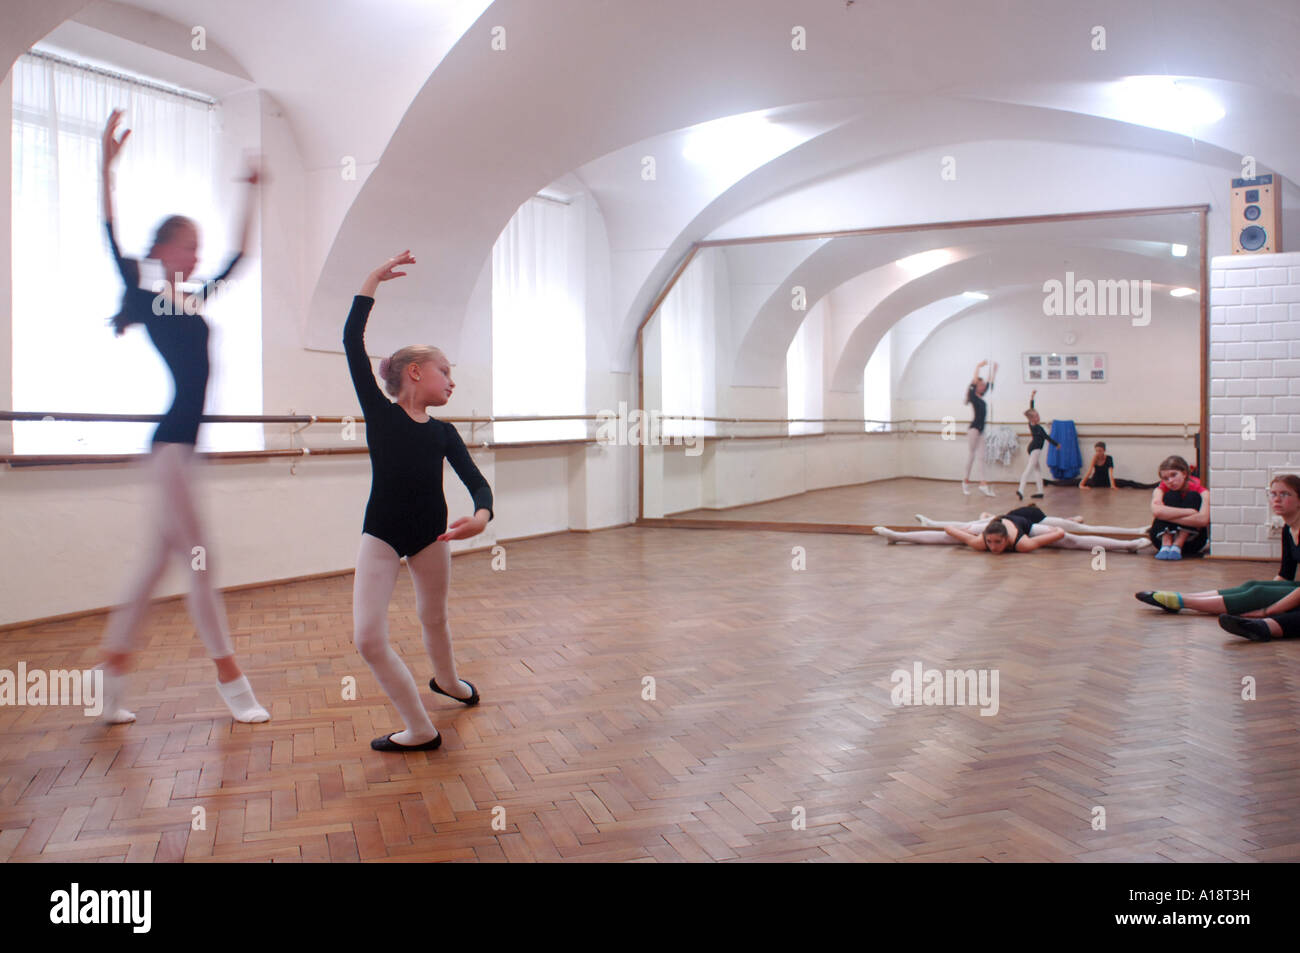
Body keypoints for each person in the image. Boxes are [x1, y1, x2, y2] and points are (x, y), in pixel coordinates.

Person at [96, 110, 268, 725]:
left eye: (199, 247)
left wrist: (250, 190)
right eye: (188, 245)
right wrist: (105, 166)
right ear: (164, 248)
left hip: (183, 449)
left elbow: (240, 257)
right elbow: (110, 236)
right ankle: (231, 680)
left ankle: (110, 679)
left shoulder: (188, 301)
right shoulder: (145, 293)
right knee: (201, 558)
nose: (197, 256)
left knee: (155, 564)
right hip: (170, 443)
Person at [345, 251, 494, 752]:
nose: (452, 381)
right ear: (414, 372)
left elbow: (477, 482)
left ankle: (448, 682)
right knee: (367, 638)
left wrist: (480, 517)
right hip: (382, 534)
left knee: (434, 618)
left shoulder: (445, 432)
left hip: (433, 535)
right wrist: (372, 280)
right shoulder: (380, 414)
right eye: (445, 371)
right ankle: (420, 727)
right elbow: (351, 342)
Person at [1138, 474, 1300, 621]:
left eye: (1285, 494)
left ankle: (1182, 602)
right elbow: (1285, 575)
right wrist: (1268, 593)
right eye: (1273, 494)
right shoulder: (1287, 528)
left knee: (1258, 593)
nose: (1276, 500)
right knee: (1252, 586)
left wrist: (1269, 609)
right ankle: (1182, 596)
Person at [874, 506, 1152, 553]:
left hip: (1030, 523)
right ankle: (898, 537)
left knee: (1075, 535)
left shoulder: (1021, 542)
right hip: (999, 520)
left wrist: (1061, 533)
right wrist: (941, 526)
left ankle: (1129, 539)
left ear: (1005, 539)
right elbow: (950, 531)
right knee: (955, 535)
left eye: (997, 544)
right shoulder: (982, 539)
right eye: (991, 543)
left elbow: (1061, 536)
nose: (994, 549)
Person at [1147, 455, 1209, 559]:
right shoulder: (1160, 489)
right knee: (1172, 495)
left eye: (1173, 475)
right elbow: (1157, 512)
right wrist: (1190, 512)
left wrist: (1168, 515)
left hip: (1193, 542)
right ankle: (1166, 543)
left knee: (1193, 496)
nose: (1170, 481)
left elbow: (1203, 520)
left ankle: (1178, 544)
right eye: (1165, 478)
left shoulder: (1201, 490)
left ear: (1184, 473)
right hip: (1160, 542)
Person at [963, 359, 998, 497]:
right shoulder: (972, 396)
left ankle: (983, 484)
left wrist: (993, 370)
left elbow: (989, 382)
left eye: (984, 385)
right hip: (973, 429)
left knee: (981, 457)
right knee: (972, 455)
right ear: (976, 386)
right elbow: (974, 381)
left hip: (981, 429)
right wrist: (978, 366)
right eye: (981, 384)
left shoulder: (982, 397)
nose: (984, 386)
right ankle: (965, 481)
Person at [1017, 389, 1059, 500]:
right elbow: (1046, 437)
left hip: (1034, 449)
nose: (1038, 417)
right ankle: (1021, 489)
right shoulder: (1037, 427)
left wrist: (1032, 397)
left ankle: (1040, 491)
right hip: (1035, 449)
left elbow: (1031, 409)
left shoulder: (1032, 425)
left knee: (1037, 470)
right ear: (1032, 419)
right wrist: (1056, 444)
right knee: (1029, 469)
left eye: (1038, 415)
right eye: (1036, 416)